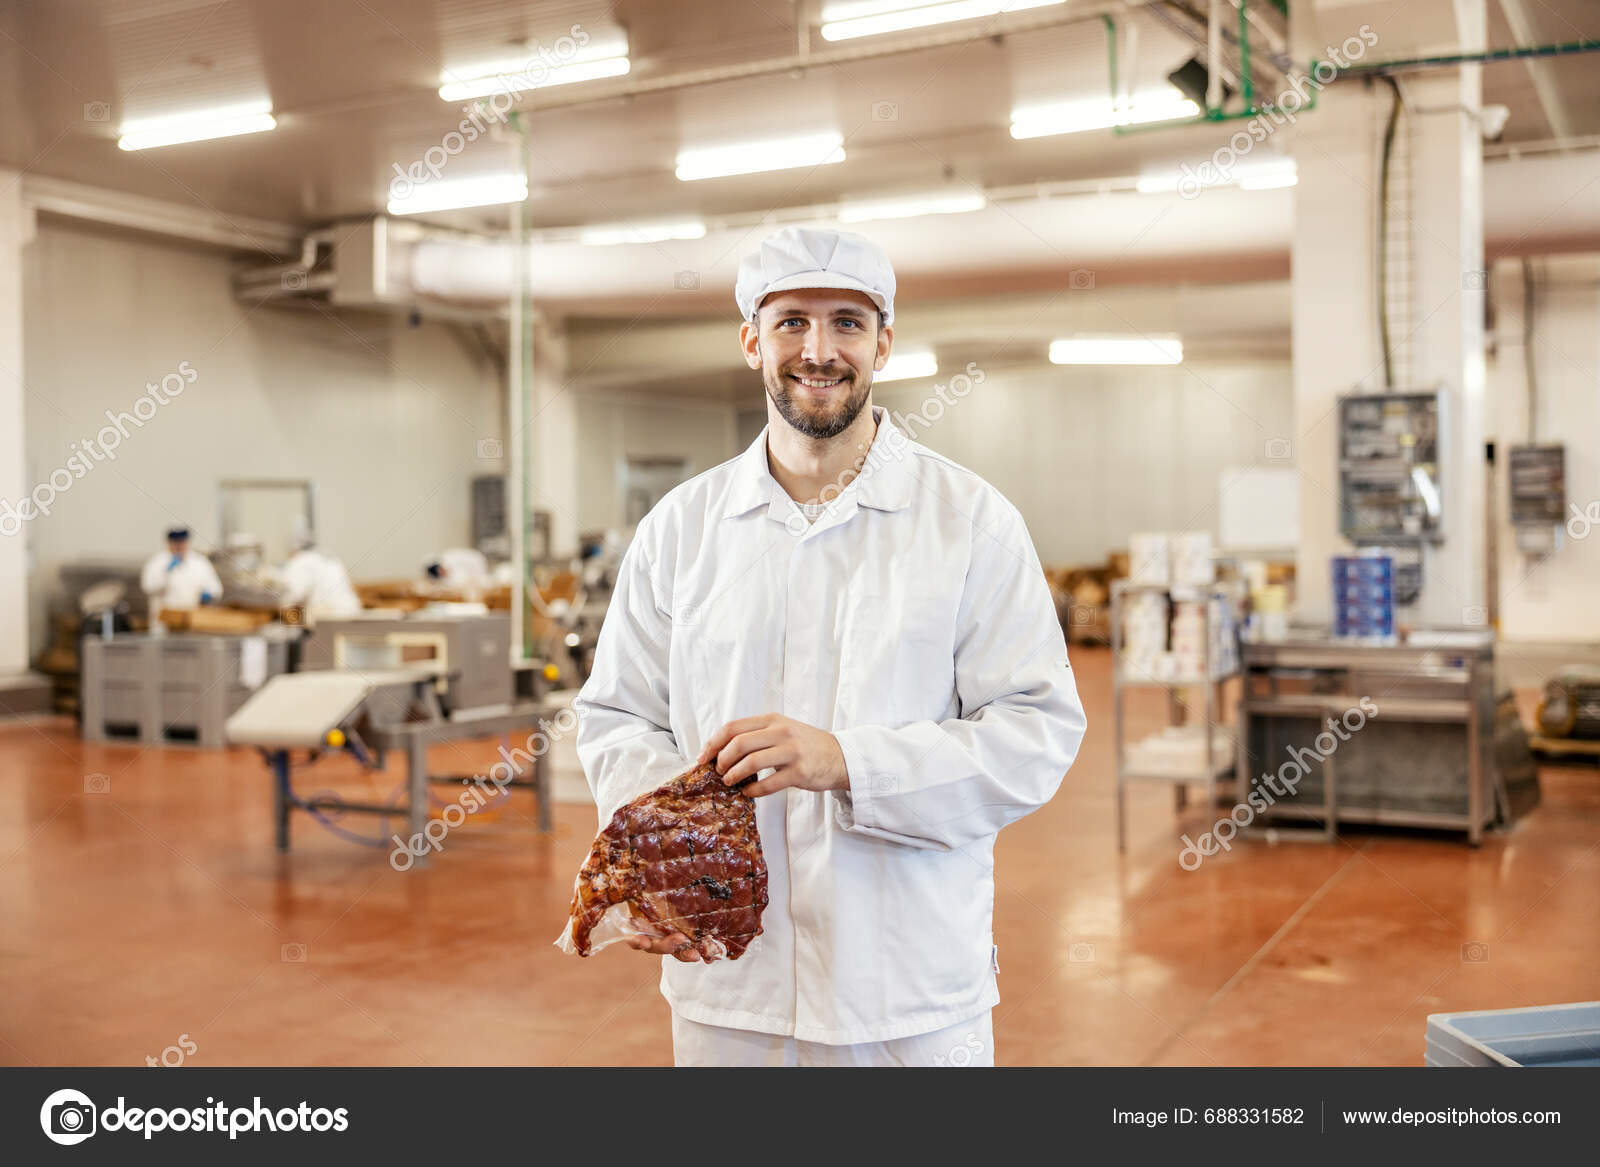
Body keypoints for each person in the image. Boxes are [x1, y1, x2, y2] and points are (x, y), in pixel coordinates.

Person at [574, 226, 1087, 1067]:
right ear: (751, 341)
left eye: (847, 322)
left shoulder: (969, 522)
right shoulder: (681, 529)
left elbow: (1035, 732)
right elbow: (617, 714)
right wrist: (671, 839)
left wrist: (848, 760)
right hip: (732, 989)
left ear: (884, 342)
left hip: (906, 995)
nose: (819, 349)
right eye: (791, 323)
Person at [280, 534, 362, 622]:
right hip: (352, 611)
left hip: (327, 615)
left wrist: (283, 603)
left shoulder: (300, 561)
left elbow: (297, 594)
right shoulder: (330, 558)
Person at [140, 527, 222, 612]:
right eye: (175, 542)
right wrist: (166, 574)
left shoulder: (200, 562)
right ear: (168, 542)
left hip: (192, 618)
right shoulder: (156, 562)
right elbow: (148, 588)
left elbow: (215, 588)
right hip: (164, 619)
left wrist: (210, 594)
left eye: (182, 542)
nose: (179, 545)